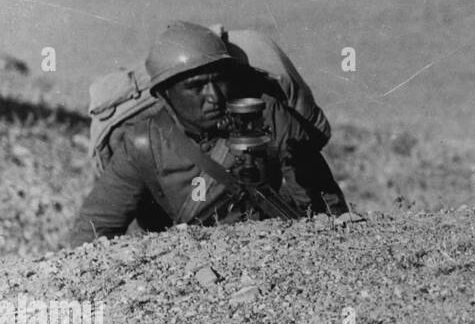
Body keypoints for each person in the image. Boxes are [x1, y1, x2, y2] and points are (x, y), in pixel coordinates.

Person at [69, 22, 346, 245]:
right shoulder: (143, 144)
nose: (214, 96)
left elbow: (326, 210)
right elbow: (92, 232)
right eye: (197, 86)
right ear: (165, 95)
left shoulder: (268, 116)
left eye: (219, 81)